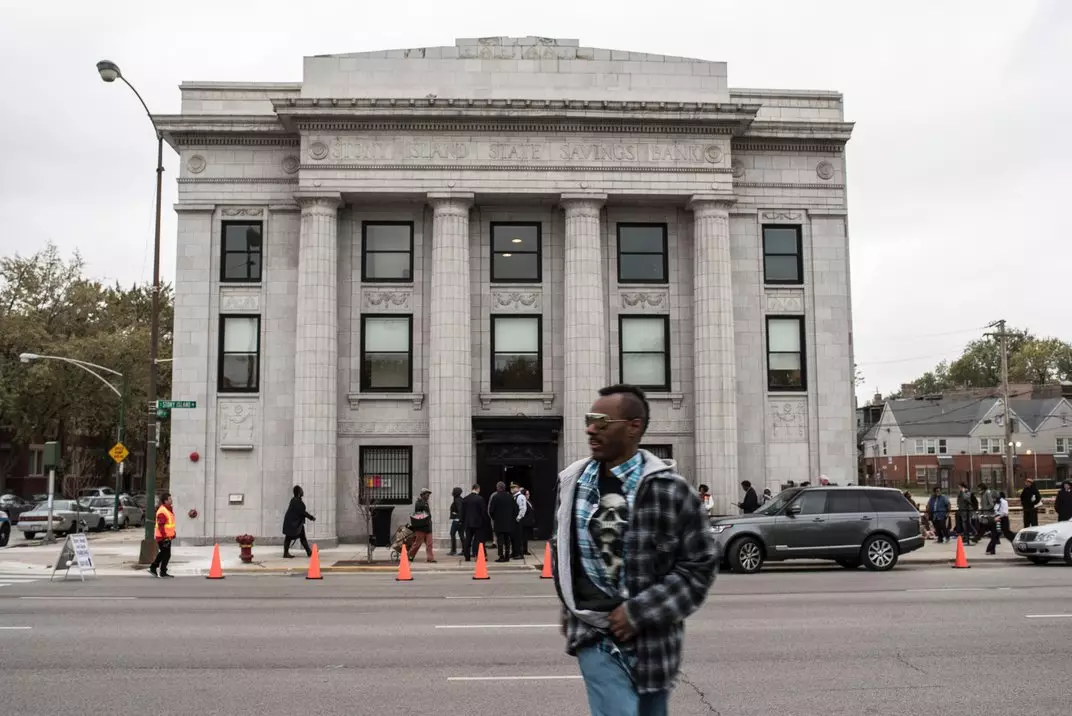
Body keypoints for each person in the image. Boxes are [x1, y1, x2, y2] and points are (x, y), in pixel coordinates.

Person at [552, 384, 718, 716]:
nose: (590, 428)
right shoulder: (572, 482)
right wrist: (570, 607)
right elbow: (563, 550)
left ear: (633, 427)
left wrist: (638, 612)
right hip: (594, 635)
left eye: (601, 421)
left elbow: (699, 566)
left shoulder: (671, 491)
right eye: (589, 419)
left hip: (654, 644)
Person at [282, 485, 316, 558]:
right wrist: (311, 517)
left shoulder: (295, 500)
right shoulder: (297, 501)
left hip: (293, 523)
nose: (303, 491)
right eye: (301, 490)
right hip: (292, 523)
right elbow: (303, 512)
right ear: (299, 493)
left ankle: (308, 552)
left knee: (291, 537)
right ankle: (309, 552)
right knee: (291, 537)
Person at [149, 492, 175, 578]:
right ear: (165, 501)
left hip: (167, 536)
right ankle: (154, 567)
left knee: (165, 554)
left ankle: (161, 570)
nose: (171, 500)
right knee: (165, 553)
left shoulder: (168, 509)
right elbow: (161, 525)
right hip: (162, 537)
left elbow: (169, 524)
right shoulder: (162, 511)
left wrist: (173, 533)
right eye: (170, 499)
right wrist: (165, 537)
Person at [489, 481, 517, 562]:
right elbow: (515, 510)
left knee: (500, 540)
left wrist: (494, 518)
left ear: (498, 488)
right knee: (507, 540)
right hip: (508, 522)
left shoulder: (495, 497)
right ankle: (507, 556)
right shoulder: (510, 497)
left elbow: (491, 510)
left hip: (499, 522)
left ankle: (501, 556)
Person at [408, 488, 436, 563]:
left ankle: (430, 558)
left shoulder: (425, 502)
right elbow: (419, 514)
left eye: (429, 495)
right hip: (421, 528)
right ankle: (409, 556)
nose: (428, 496)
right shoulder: (419, 503)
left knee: (429, 544)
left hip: (428, 527)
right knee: (417, 544)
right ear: (422, 495)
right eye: (427, 495)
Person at [460, 484, 487, 561]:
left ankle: (467, 556)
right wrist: (485, 521)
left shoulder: (465, 499)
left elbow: (462, 512)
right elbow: (483, 512)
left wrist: (462, 521)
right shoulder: (480, 499)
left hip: (468, 523)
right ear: (477, 489)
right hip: (478, 523)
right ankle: (477, 555)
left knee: (468, 539)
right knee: (478, 540)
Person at [510, 482, 528, 559]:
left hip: (518, 520)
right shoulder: (513, 496)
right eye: (511, 488)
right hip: (513, 520)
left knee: (518, 537)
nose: (512, 489)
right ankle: (514, 552)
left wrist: (518, 518)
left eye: (514, 487)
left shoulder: (520, 497)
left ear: (518, 488)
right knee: (513, 537)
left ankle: (520, 553)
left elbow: (523, 508)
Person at [448, 487, 464, 556]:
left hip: (457, 520)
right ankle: (464, 550)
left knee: (452, 534)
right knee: (461, 535)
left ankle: (453, 550)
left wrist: (456, 515)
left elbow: (460, 510)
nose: (452, 492)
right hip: (460, 521)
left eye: (453, 491)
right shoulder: (459, 499)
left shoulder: (457, 500)